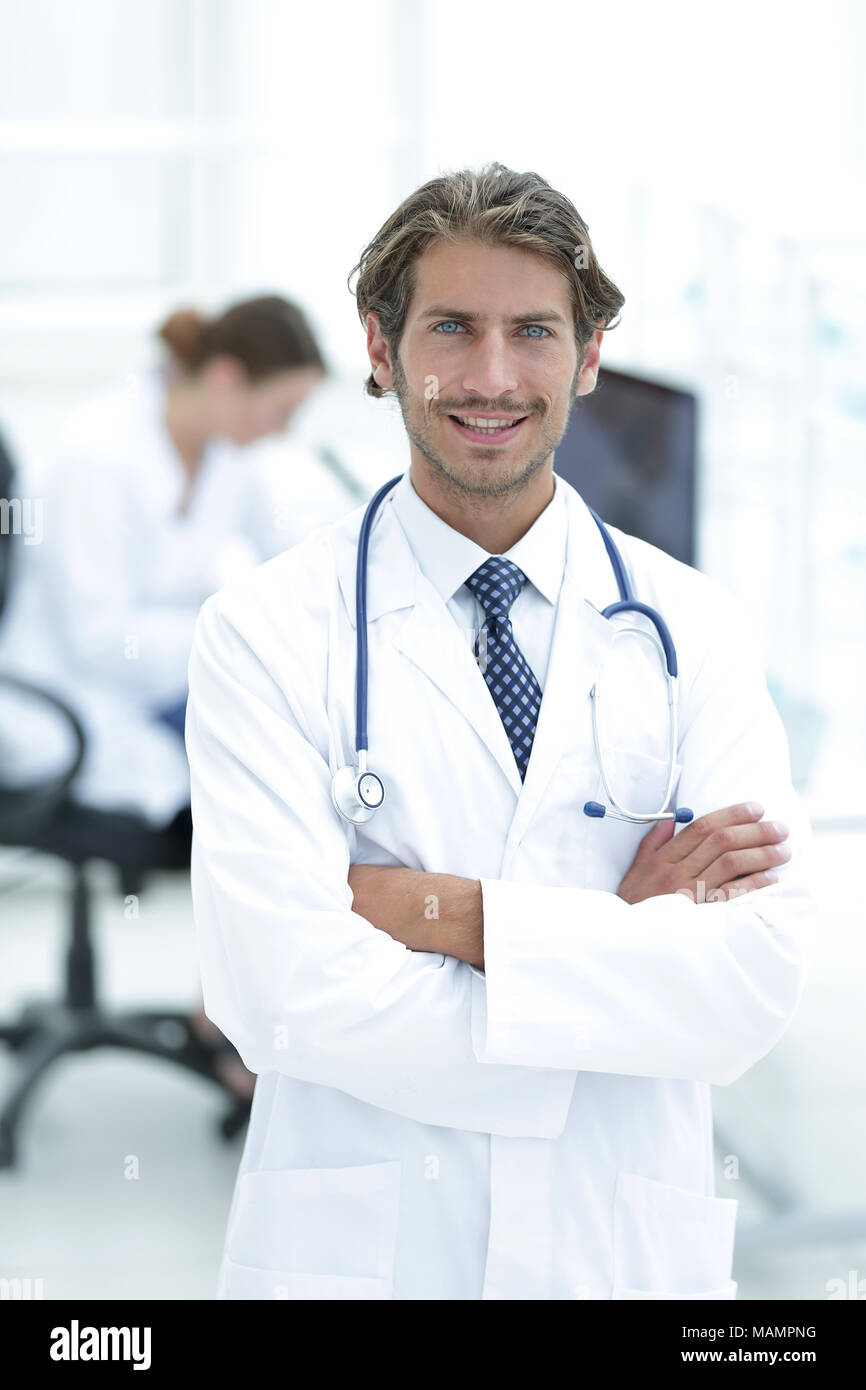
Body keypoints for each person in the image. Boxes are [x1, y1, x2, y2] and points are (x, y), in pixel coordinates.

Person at [184, 163, 816, 1300]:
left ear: (588, 354)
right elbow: (277, 991)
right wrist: (613, 942)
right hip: (364, 1260)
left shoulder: (694, 628)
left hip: (613, 1256)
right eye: (449, 328)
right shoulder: (264, 633)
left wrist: (444, 912)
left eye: (531, 330)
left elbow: (746, 987)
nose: (488, 376)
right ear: (380, 352)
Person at [0, 294, 330, 1100]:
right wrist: (233, 640)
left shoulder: (224, 453)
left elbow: (299, 543)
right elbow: (100, 639)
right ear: (225, 378)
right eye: (279, 407)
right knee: (279, 788)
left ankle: (231, 1008)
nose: (284, 430)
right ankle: (231, 1017)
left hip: (146, 692)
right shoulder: (97, 455)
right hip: (66, 707)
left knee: (307, 748)